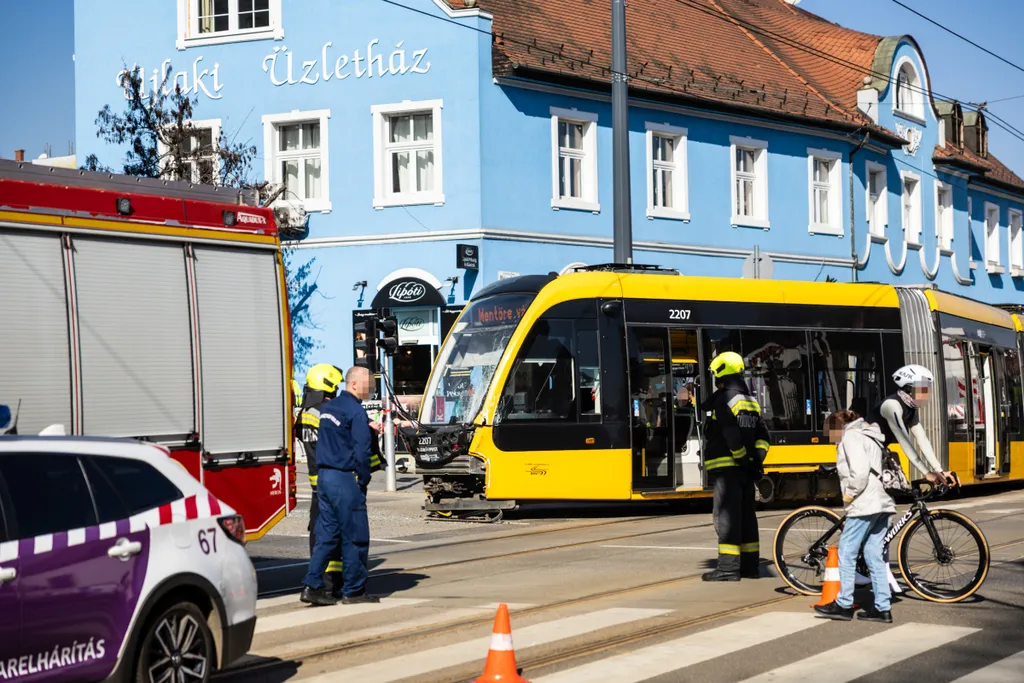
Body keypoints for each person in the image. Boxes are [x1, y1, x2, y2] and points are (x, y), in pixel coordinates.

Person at [301, 366, 379, 606]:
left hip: (324, 478)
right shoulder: (355, 411)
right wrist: (363, 479)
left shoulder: (328, 409)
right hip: (345, 479)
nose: (371, 389)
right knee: (355, 536)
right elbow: (362, 451)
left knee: (326, 536)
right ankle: (354, 591)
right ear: (354, 384)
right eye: (368, 384)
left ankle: (312, 586)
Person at [815, 410, 896, 623]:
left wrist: (849, 495)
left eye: (829, 432)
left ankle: (843, 604)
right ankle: (882, 608)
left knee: (846, 552)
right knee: (873, 554)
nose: (829, 437)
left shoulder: (850, 437)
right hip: (882, 503)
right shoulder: (871, 436)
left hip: (864, 504)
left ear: (836, 428)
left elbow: (859, 473)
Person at [701, 351, 772, 582]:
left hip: (728, 469)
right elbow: (763, 436)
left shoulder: (724, 400)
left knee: (726, 517)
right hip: (746, 471)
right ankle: (750, 566)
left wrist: (741, 458)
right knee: (747, 517)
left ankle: (728, 568)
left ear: (721, 372)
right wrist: (755, 461)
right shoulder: (750, 400)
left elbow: (731, 435)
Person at [296, 364, 347, 593]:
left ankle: (321, 580)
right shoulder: (329, 412)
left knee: (318, 533)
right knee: (336, 534)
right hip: (334, 481)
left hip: (316, 484)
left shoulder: (304, 414)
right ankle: (332, 582)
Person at [866, 364, 955, 486]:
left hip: (876, 453)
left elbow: (922, 439)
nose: (926, 394)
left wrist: (939, 471)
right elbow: (905, 442)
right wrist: (926, 472)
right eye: (923, 389)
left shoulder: (911, 407)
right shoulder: (892, 405)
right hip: (862, 452)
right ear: (909, 389)